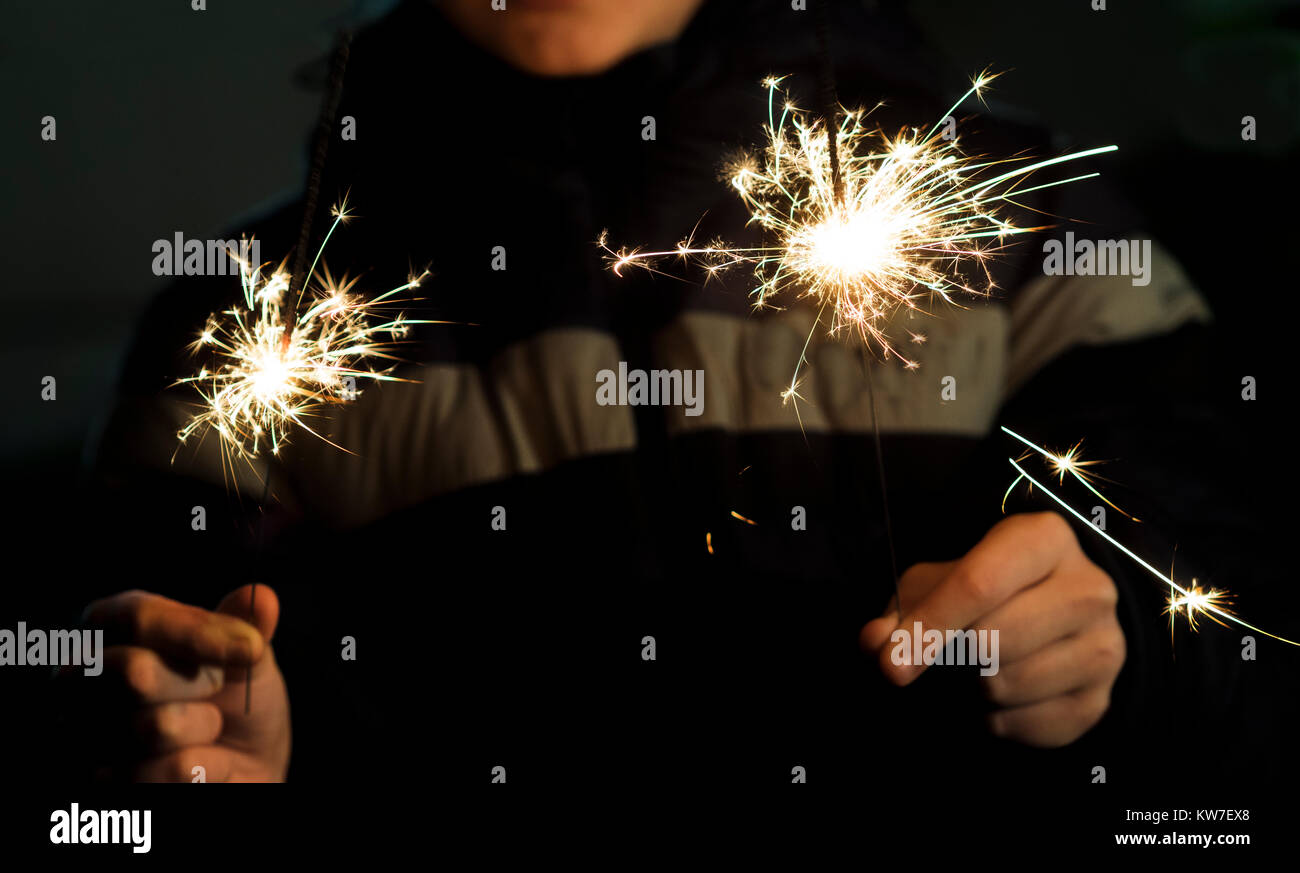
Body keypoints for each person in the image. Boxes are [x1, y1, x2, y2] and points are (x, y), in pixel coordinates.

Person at [71, 0, 1226, 788]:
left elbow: (1241, 630)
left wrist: (1109, 653)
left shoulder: (1032, 230)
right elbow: (116, 709)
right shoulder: (239, 315)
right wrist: (208, 754)